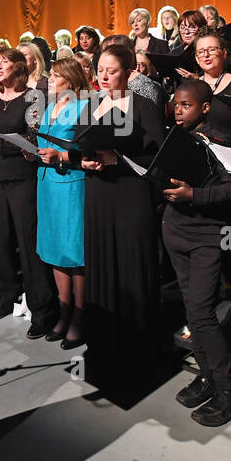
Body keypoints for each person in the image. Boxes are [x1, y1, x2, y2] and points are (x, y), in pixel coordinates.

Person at [78, 43, 168, 401]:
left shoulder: (143, 106)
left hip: (131, 196)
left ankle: (139, 355)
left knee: (131, 266)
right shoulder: (91, 104)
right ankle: (103, 351)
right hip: (99, 195)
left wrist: (119, 161)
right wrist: (82, 160)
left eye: (111, 71)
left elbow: (160, 158)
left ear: (129, 73)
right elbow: (79, 146)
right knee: (101, 265)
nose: (102, 76)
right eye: (99, 69)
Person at [160, 80, 231, 425]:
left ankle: (230, 389)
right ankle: (209, 375)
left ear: (205, 108)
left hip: (207, 236)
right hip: (175, 230)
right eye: (176, 105)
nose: (179, 111)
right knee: (191, 308)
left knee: (200, 312)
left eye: (187, 106)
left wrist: (194, 196)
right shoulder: (175, 138)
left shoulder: (223, 141)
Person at [0, 49, 59, 334]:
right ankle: (7, 296)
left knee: (28, 242)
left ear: (19, 68)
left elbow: (34, 137)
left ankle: (42, 308)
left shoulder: (33, 97)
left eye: (4, 62)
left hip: (23, 177)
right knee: (0, 240)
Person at [34, 58, 91, 346]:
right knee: (55, 249)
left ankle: (80, 316)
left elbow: (88, 152)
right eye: (50, 75)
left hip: (70, 186)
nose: (50, 80)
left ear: (71, 79)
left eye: (56, 75)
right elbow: (45, 144)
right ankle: (63, 310)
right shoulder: (49, 105)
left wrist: (61, 157)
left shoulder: (84, 107)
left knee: (74, 252)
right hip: (46, 185)